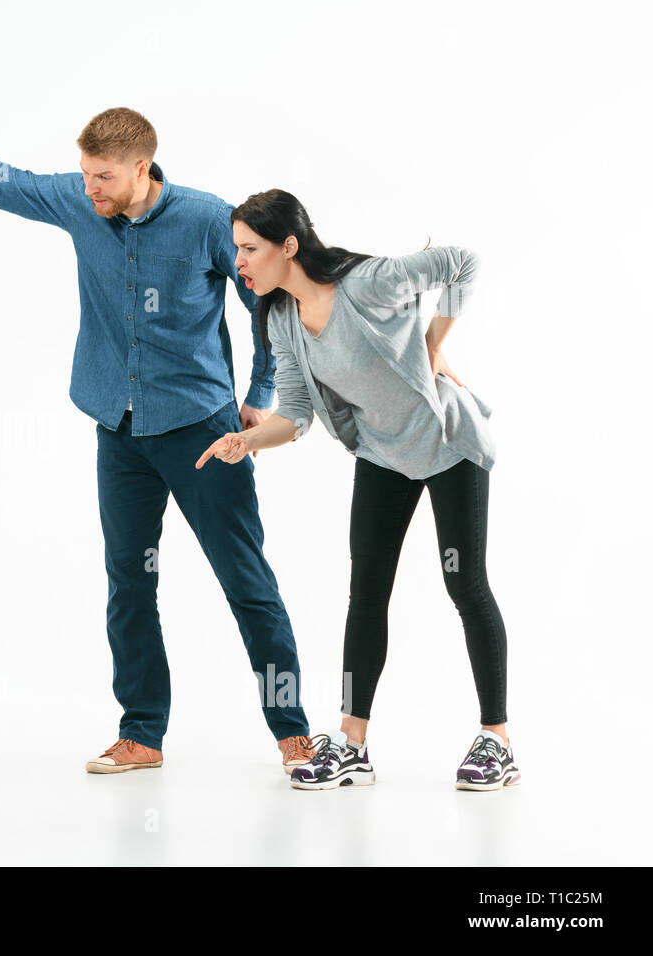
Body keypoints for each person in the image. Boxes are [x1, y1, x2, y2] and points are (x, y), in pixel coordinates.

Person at [0, 108, 318, 774]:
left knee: (246, 580)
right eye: (84, 173)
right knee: (130, 582)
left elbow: (269, 298)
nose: (89, 187)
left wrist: (262, 393)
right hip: (120, 429)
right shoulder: (81, 202)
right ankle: (142, 734)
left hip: (202, 429)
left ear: (141, 167)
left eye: (102, 176)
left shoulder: (208, 220)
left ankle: (293, 733)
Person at [197, 188, 520, 791]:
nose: (237, 262)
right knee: (365, 592)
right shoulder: (281, 321)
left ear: (287, 246)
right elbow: (294, 416)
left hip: (448, 444)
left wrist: (433, 342)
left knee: (465, 583)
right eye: (235, 249)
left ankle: (496, 740)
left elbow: (462, 261)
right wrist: (247, 441)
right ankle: (352, 744)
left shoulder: (366, 283)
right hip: (382, 453)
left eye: (248, 249)